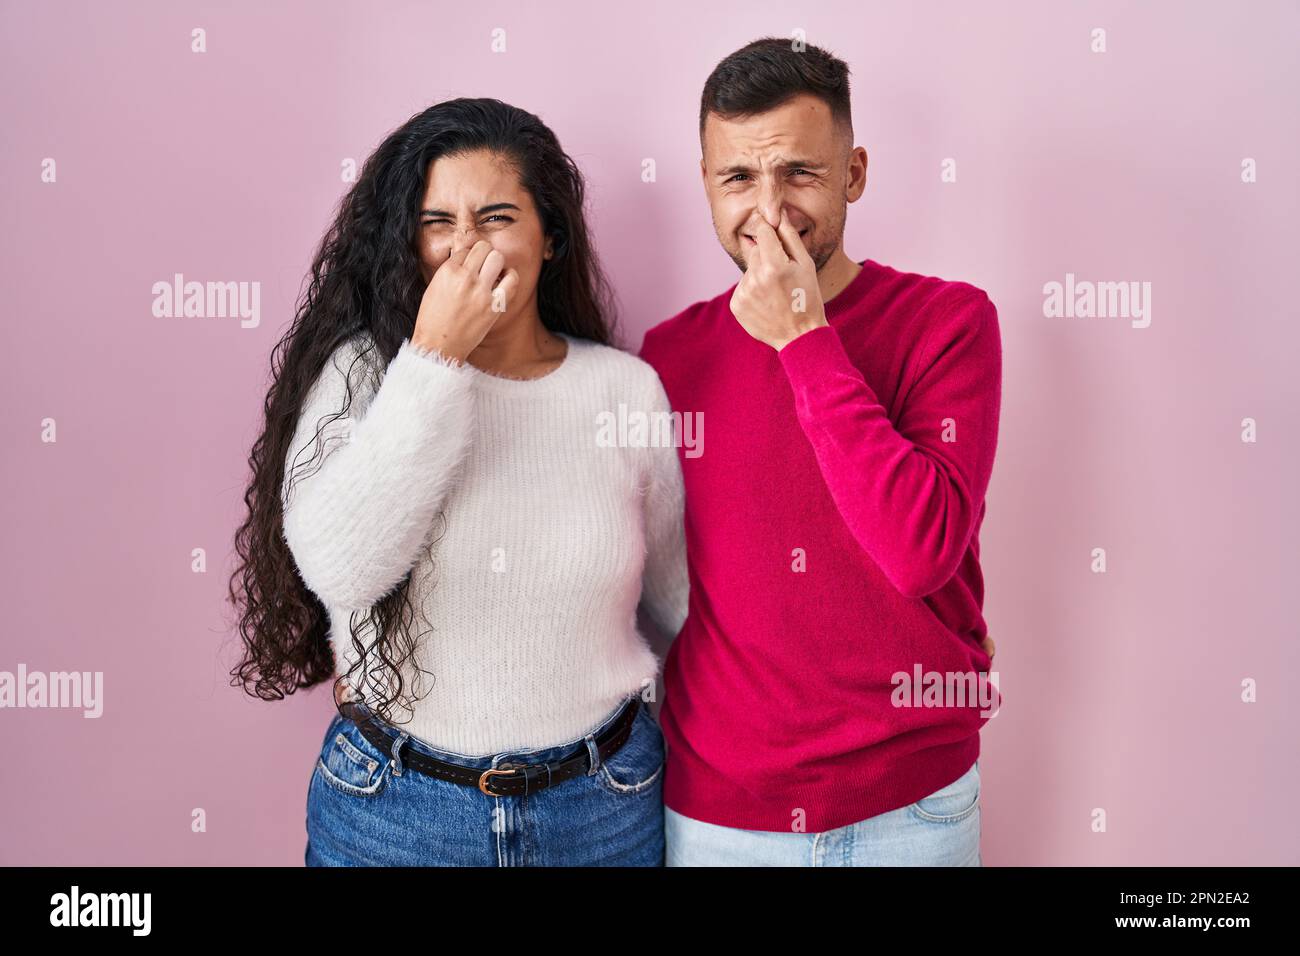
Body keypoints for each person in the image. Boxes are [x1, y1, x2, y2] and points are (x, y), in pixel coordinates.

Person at [226, 97, 688, 866]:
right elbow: (343, 569)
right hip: (394, 811)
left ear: (551, 240)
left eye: (497, 217)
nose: (465, 247)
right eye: (438, 222)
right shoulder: (364, 377)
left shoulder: (624, 391)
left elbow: (679, 604)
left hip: (603, 808)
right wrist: (436, 357)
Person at [638, 37, 1002, 866]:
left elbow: (919, 554)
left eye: (799, 173)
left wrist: (806, 338)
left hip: (914, 810)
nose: (768, 210)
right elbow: (649, 578)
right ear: (705, 184)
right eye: (738, 178)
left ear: (854, 174)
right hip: (723, 818)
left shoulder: (948, 324)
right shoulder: (667, 357)